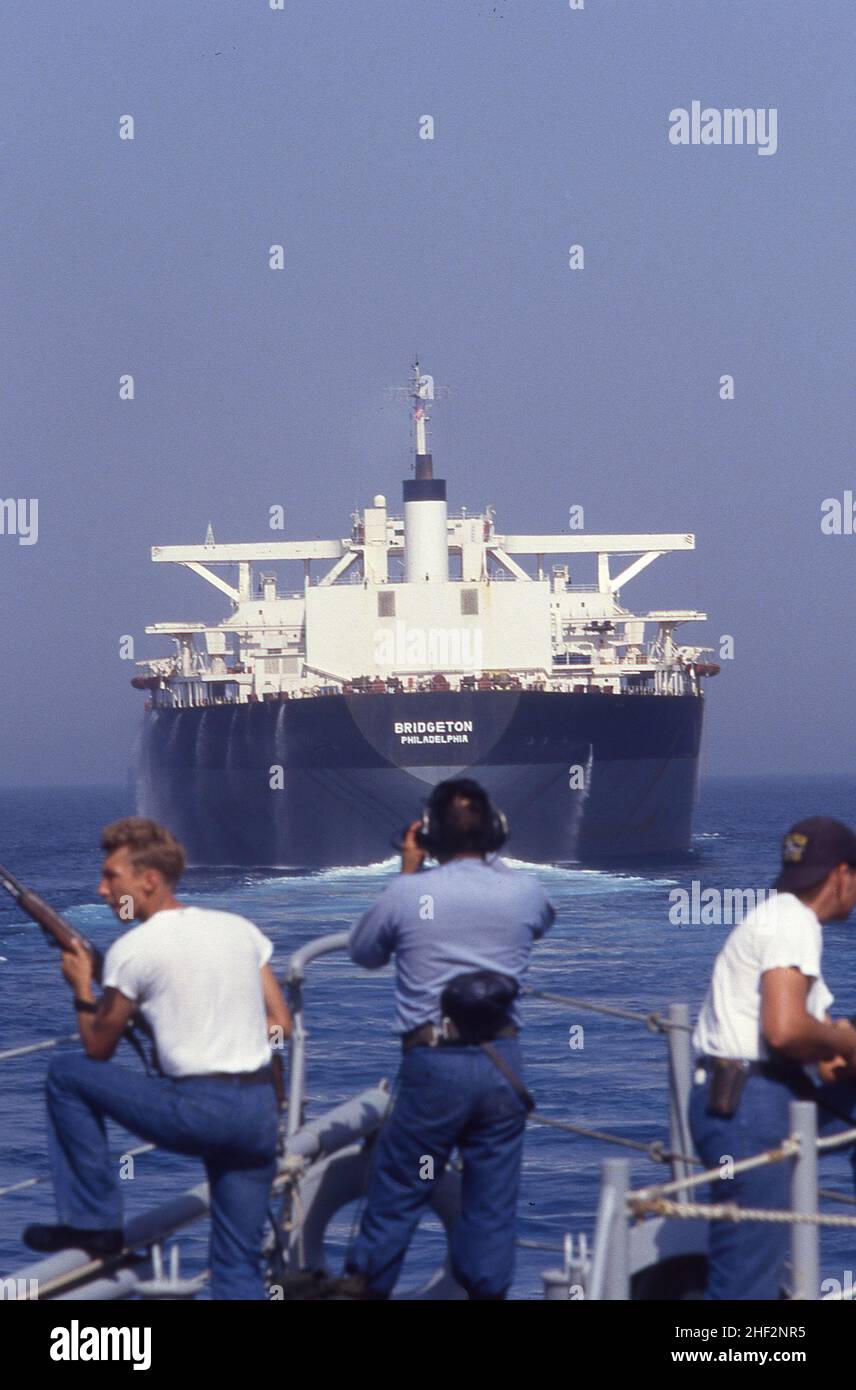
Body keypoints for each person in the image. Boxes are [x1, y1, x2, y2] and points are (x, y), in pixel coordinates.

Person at [22, 817, 292, 1300]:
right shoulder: (239, 929)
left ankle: (94, 1224)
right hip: (256, 1113)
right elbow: (280, 1025)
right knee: (236, 1265)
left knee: (66, 1075)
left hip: (198, 1108)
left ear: (148, 880)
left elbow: (97, 1049)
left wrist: (82, 987)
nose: (102, 889)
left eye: (112, 877)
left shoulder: (133, 949)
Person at [344, 778, 555, 1300]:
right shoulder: (525, 891)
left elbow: (364, 953)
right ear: (497, 832)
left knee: (398, 1192)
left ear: (430, 833)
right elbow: (539, 920)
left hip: (434, 1064)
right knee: (492, 1202)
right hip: (502, 1064)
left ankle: (367, 1287)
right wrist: (491, 860)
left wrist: (412, 870)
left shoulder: (406, 893)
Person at [690, 816, 856, 1300]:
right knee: (747, 1282)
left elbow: (820, 1059)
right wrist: (847, 1041)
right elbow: (784, 1031)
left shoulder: (779, 917)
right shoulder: (793, 922)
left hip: (757, 1097)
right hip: (750, 1107)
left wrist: (835, 1042)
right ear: (842, 875)